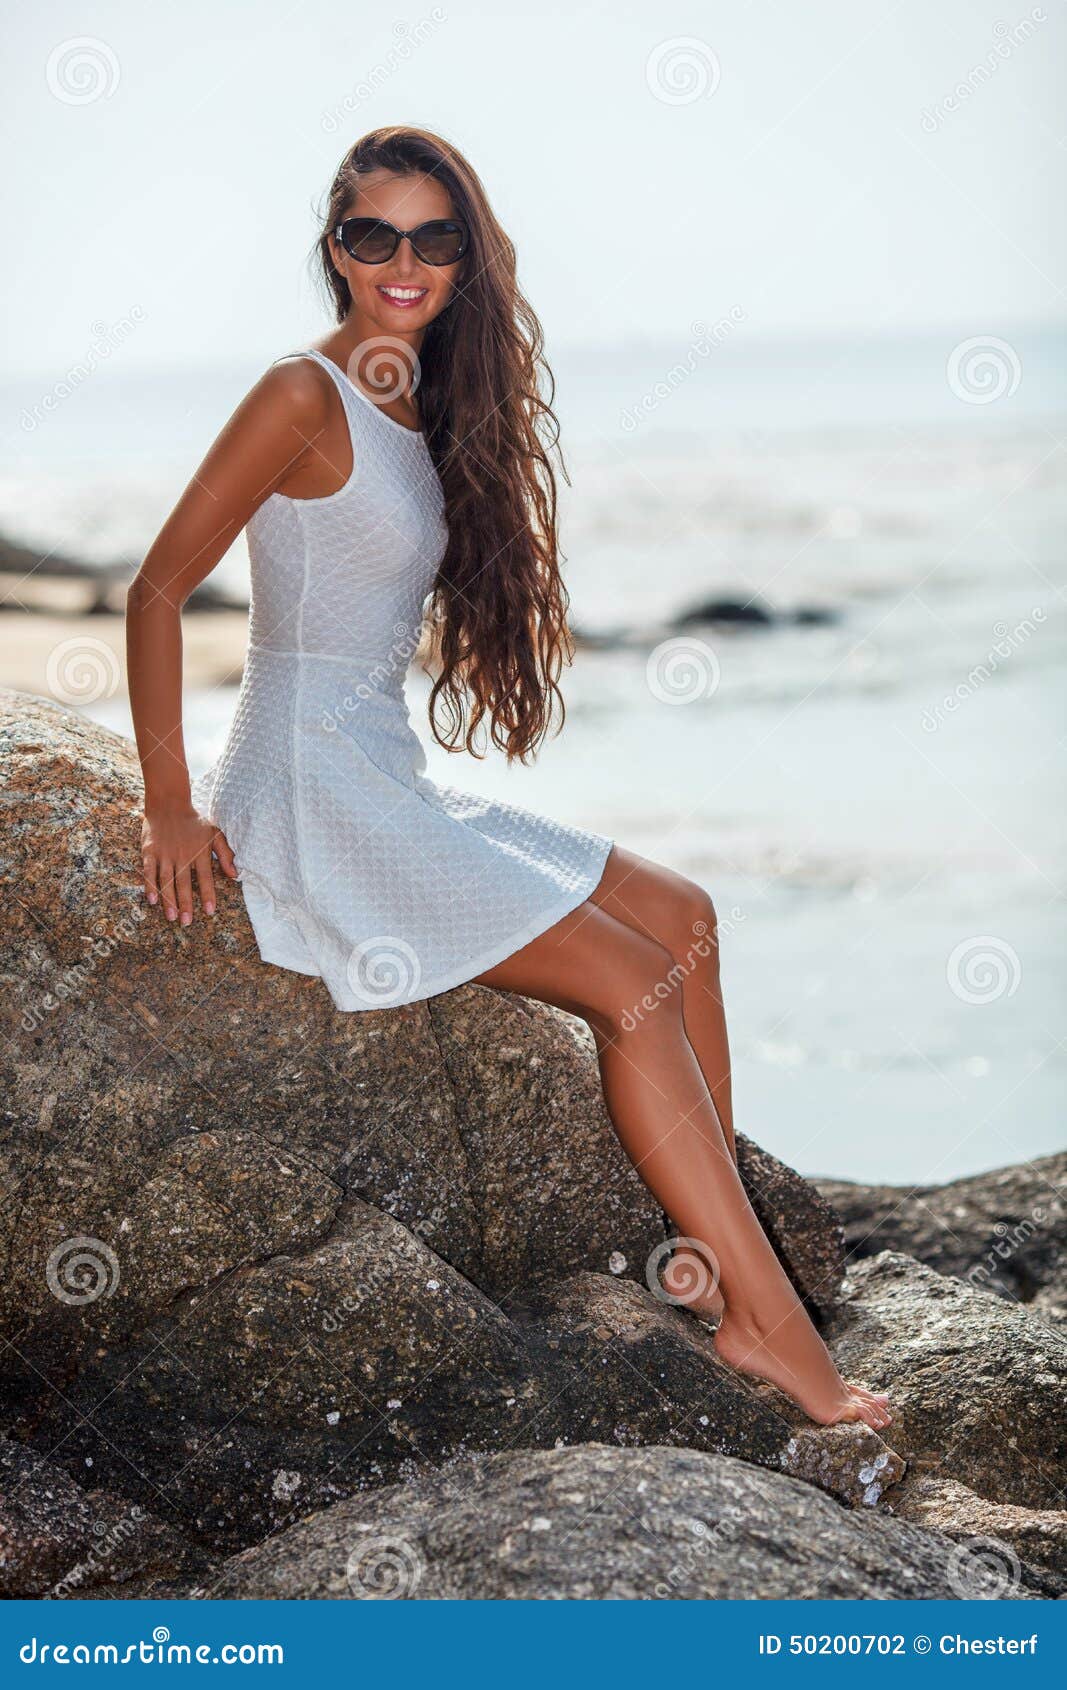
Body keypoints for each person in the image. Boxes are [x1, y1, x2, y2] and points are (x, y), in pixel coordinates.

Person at [126, 125, 890, 1430]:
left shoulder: (427, 401)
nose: (404, 263)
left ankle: (712, 1266)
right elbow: (155, 586)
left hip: (383, 773)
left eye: (434, 237)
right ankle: (769, 1325)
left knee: (685, 920)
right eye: (375, 236)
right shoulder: (299, 396)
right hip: (309, 788)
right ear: (336, 249)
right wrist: (168, 801)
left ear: (466, 257)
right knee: (630, 988)